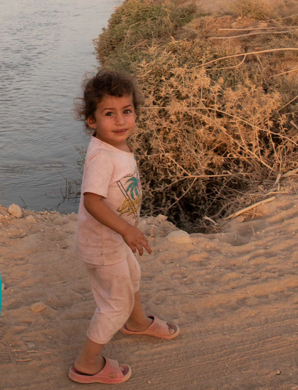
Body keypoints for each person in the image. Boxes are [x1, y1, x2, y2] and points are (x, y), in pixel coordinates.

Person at [69, 69, 179, 385]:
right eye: (109, 114)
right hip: (103, 244)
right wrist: (128, 230)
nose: (120, 121)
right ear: (91, 120)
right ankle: (87, 363)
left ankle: (138, 322)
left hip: (113, 240)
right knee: (114, 305)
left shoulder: (118, 146)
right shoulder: (102, 157)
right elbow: (92, 201)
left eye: (126, 111)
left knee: (132, 277)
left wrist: (125, 231)